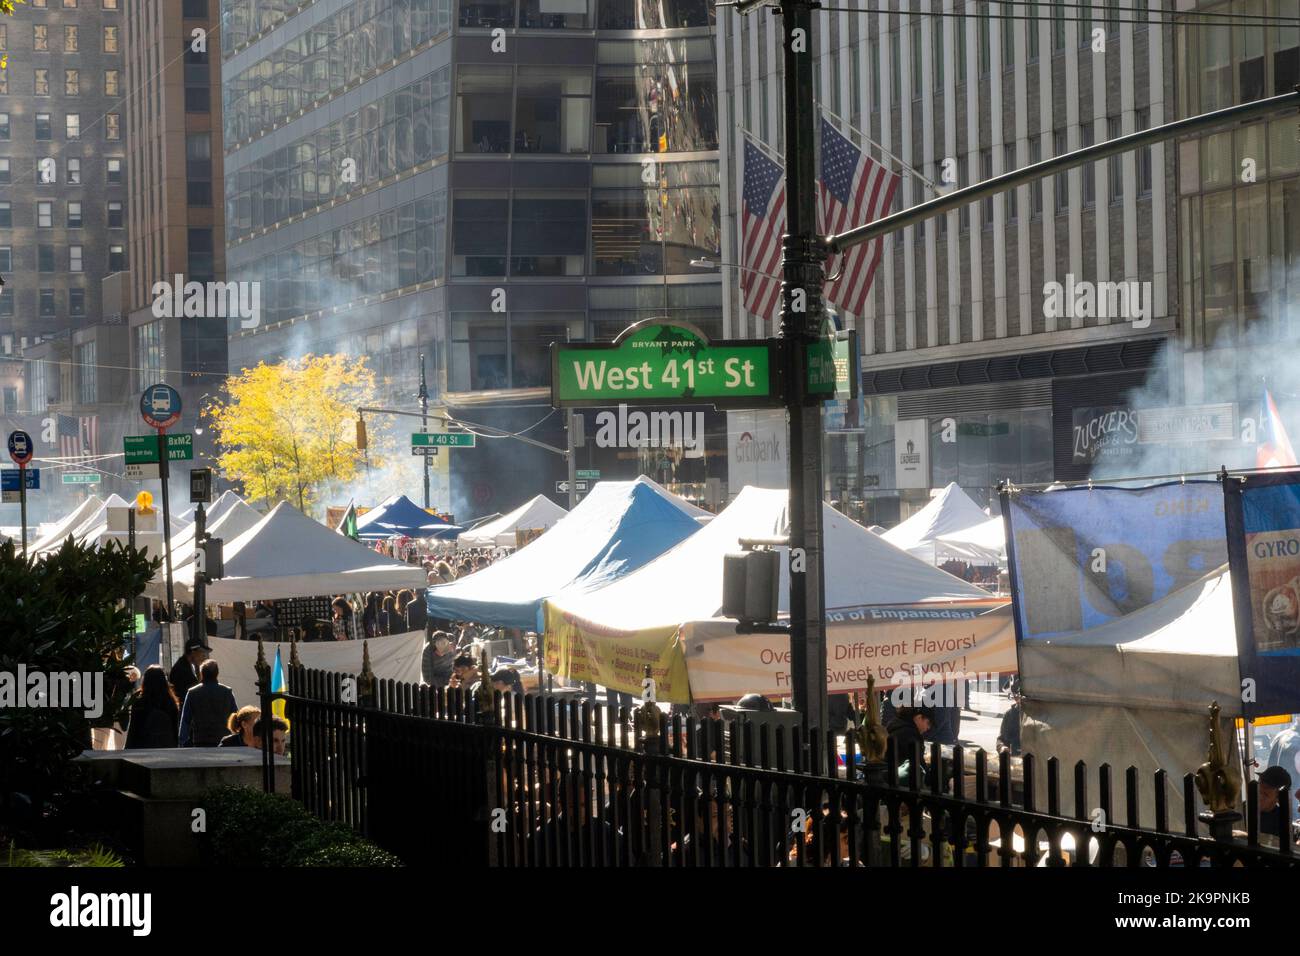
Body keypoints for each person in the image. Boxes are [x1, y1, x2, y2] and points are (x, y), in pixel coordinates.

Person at [178, 659, 238, 747]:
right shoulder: (227, 692)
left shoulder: (192, 693)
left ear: (202, 673)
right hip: (223, 739)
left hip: (200, 739)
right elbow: (235, 717)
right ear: (217, 673)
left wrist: (182, 741)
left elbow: (185, 720)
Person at [124, 665, 180, 749]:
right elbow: (175, 729)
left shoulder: (139, 702)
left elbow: (133, 729)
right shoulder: (170, 702)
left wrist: (128, 748)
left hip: (143, 746)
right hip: (166, 747)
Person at [169, 637, 209, 703]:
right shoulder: (181, 670)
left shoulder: (188, 666)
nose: (204, 656)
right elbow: (186, 697)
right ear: (193, 652)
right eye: (201, 652)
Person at [1258, 765, 1293, 841]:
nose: (1258, 797)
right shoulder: (1241, 809)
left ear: (1278, 798)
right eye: (1257, 791)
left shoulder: (1282, 821)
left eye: (1265, 794)